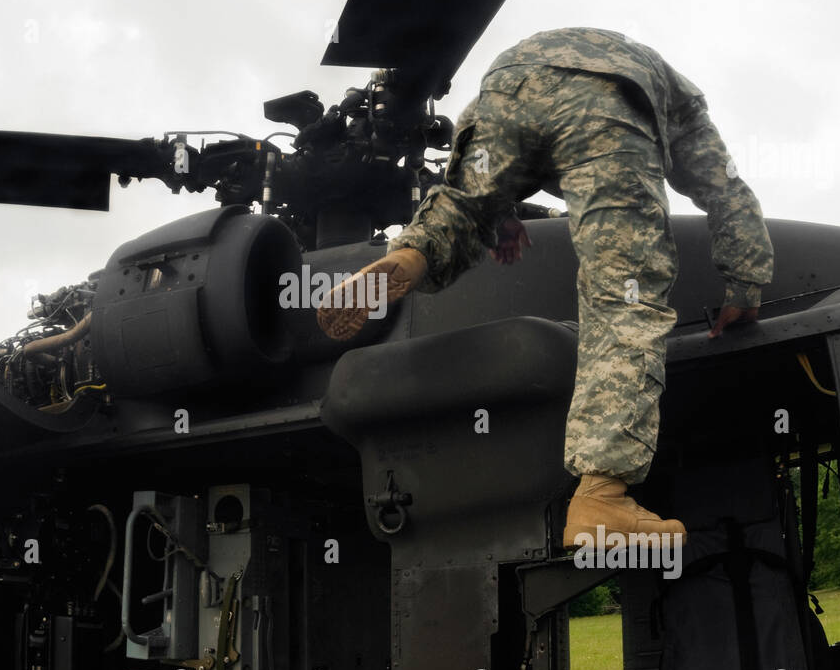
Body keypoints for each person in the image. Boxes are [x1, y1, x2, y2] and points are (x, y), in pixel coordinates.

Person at [316, 27, 774, 547]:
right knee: (624, 296)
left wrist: (505, 216)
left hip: (504, 93)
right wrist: (745, 284)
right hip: (601, 104)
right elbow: (726, 190)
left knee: (464, 206)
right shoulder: (684, 108)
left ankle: (414, 250)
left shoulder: (567, 57)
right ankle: (603, 497)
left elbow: (525, 152)